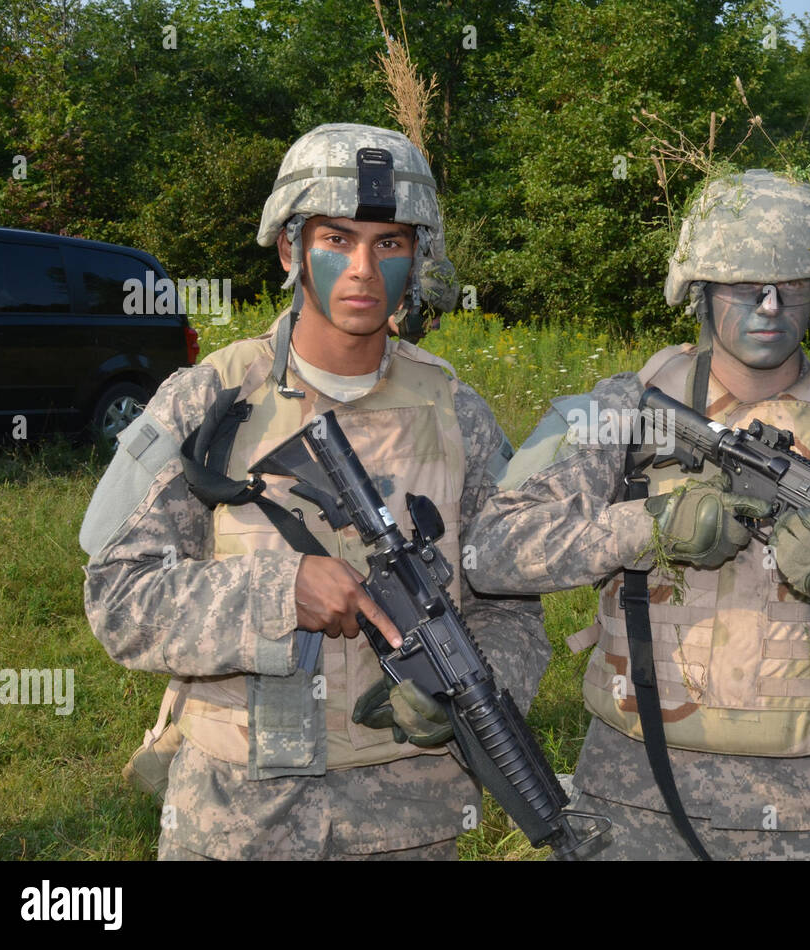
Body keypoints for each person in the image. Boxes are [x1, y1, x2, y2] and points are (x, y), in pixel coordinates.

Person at [80, 123, 547, 860]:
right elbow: (117, 599)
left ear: (418, 256)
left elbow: (515, 607)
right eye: (336, 239)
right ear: (289, 249)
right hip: (235, 821)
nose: (363, 270)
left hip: (409, 821)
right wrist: (278, 593)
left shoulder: (458, 413)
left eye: (389, 243)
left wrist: (467, 691)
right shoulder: (206, 401)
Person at [467, 169, 810, 860]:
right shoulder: (624, 408)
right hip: (633, 794)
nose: (769, 306)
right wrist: (648, 527)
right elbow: (494, 551)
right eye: (744, 285)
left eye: (792, 284)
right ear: (700, 289)